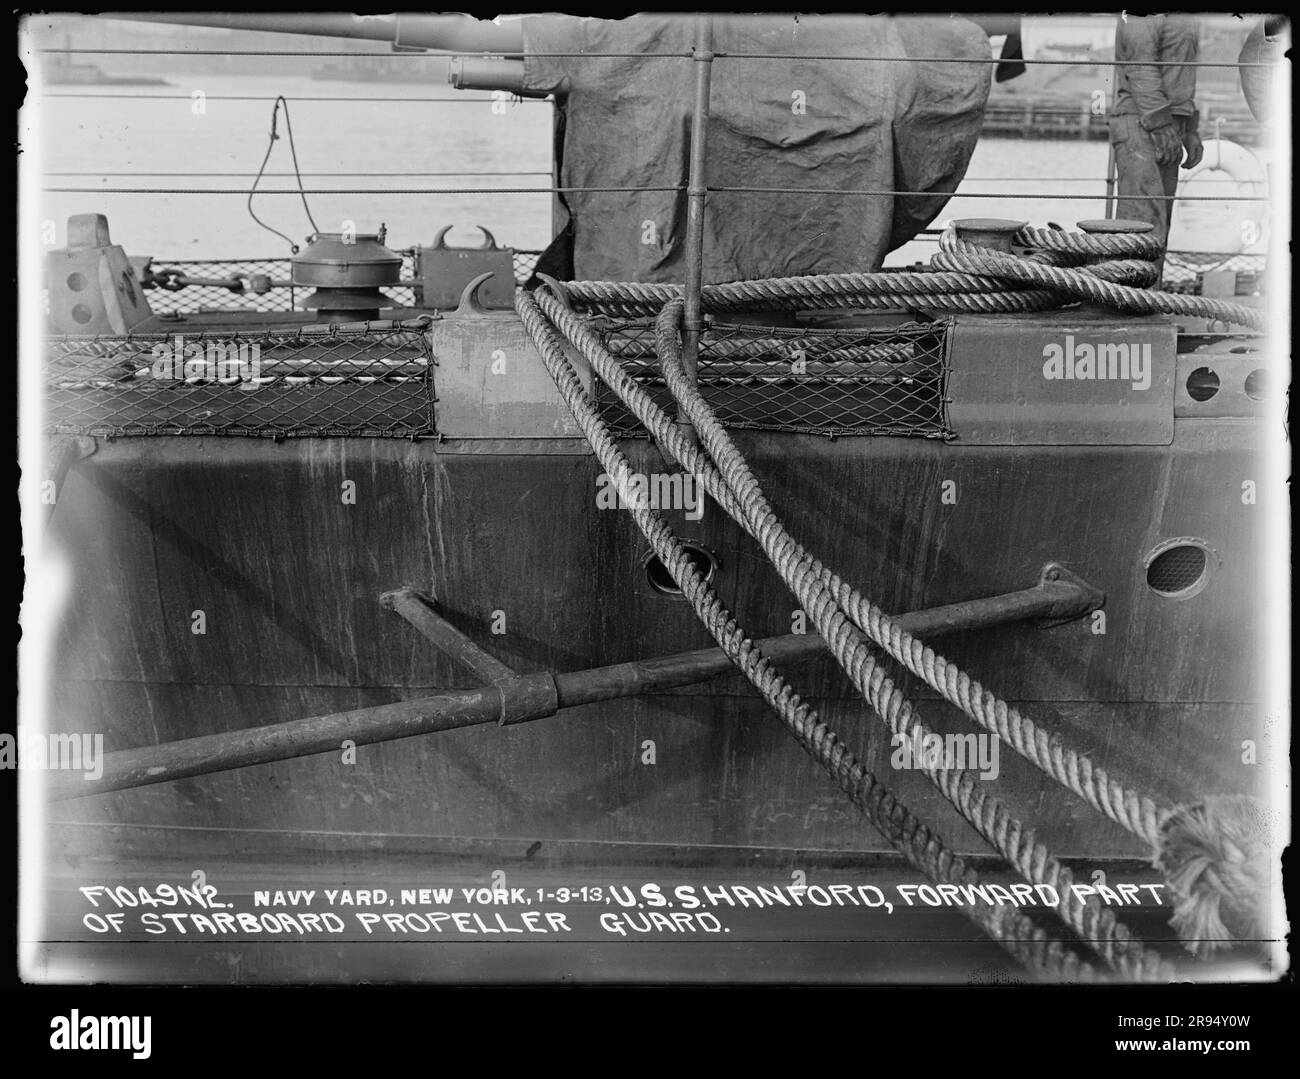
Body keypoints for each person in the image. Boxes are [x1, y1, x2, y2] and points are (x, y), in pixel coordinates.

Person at [1107, 14, 1203, 250]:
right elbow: (1140, 67)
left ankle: (1149, 287)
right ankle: (1131, 288)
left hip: (1166, 124)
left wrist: (1190, 129)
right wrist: (1160, 124)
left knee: (1157, 228)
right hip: (1142, 124)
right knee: (1140, 225)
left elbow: (1181, 74)